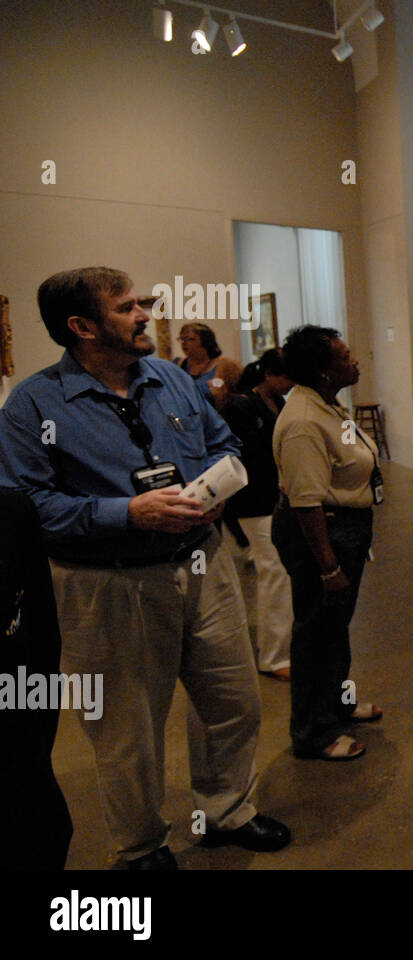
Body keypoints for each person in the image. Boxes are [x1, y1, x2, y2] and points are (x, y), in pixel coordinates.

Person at [0, 266, 290, 868]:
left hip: (204, 566)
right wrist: (127, 513)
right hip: (107, 584)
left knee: (233, 700)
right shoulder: (34, 404)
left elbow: (222, 444)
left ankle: (227, 810)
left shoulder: (170, 380)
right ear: (81, 327)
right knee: (128, 731)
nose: (145, 316)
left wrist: (213, 487)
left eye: (143, 302)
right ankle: (140, 847)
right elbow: (31, 509)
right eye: (128, 307)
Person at [271, 326, 383, 761]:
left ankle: (336, 704)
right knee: (316, 635)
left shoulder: (328, 405)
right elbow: (305, 502)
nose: (354, 361)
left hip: (346, 528)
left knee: (334, 629)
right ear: (322, 372)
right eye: (344, 356)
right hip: (321, 533)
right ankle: (312, 732)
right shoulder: (303, 421)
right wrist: (328, 566)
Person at [0, 490, 74, 869]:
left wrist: (36, 744)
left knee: (45, 830)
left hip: (16, 737)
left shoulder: (12, 511)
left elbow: (44, 635)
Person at [222, 348, 295, 680]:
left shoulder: (278, 404)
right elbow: (243, 455)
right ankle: (273, 655)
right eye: (284, 377)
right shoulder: (241, 406)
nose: (288, 384)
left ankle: (282, 647)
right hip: (252, 501)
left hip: (274, 498)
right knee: (275, 571)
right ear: (268, 375)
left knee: (279, 572)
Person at [178, 321, 242, 411]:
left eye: (190, 339)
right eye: (182, 339)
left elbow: (242, 393)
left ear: (205, 341)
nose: (184, 343)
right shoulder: (179, 365)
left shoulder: (226, 365)